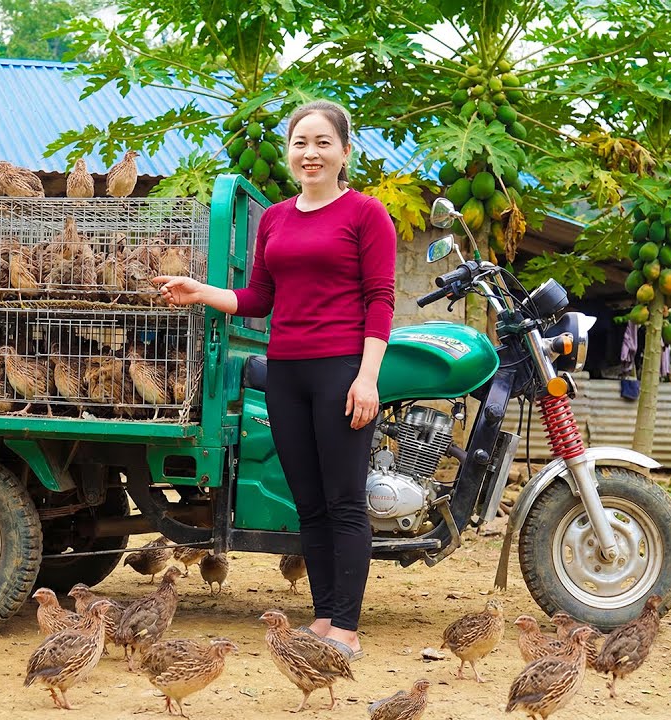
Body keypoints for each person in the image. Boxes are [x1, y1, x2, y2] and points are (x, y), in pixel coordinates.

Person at [153, 100, 396, 660]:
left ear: (344, 152)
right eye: (300, 143)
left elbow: (379, 300)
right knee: (306, 503)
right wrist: (202, 290)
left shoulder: (365, 214)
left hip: (341, 371)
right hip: (285, 373)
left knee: (344, 502)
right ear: (289, 152)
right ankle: (324, 616)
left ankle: (348, 628)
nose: (309, 153)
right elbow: (260, 297)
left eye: (322, 143)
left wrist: (367, 378)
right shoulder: (276, 218)